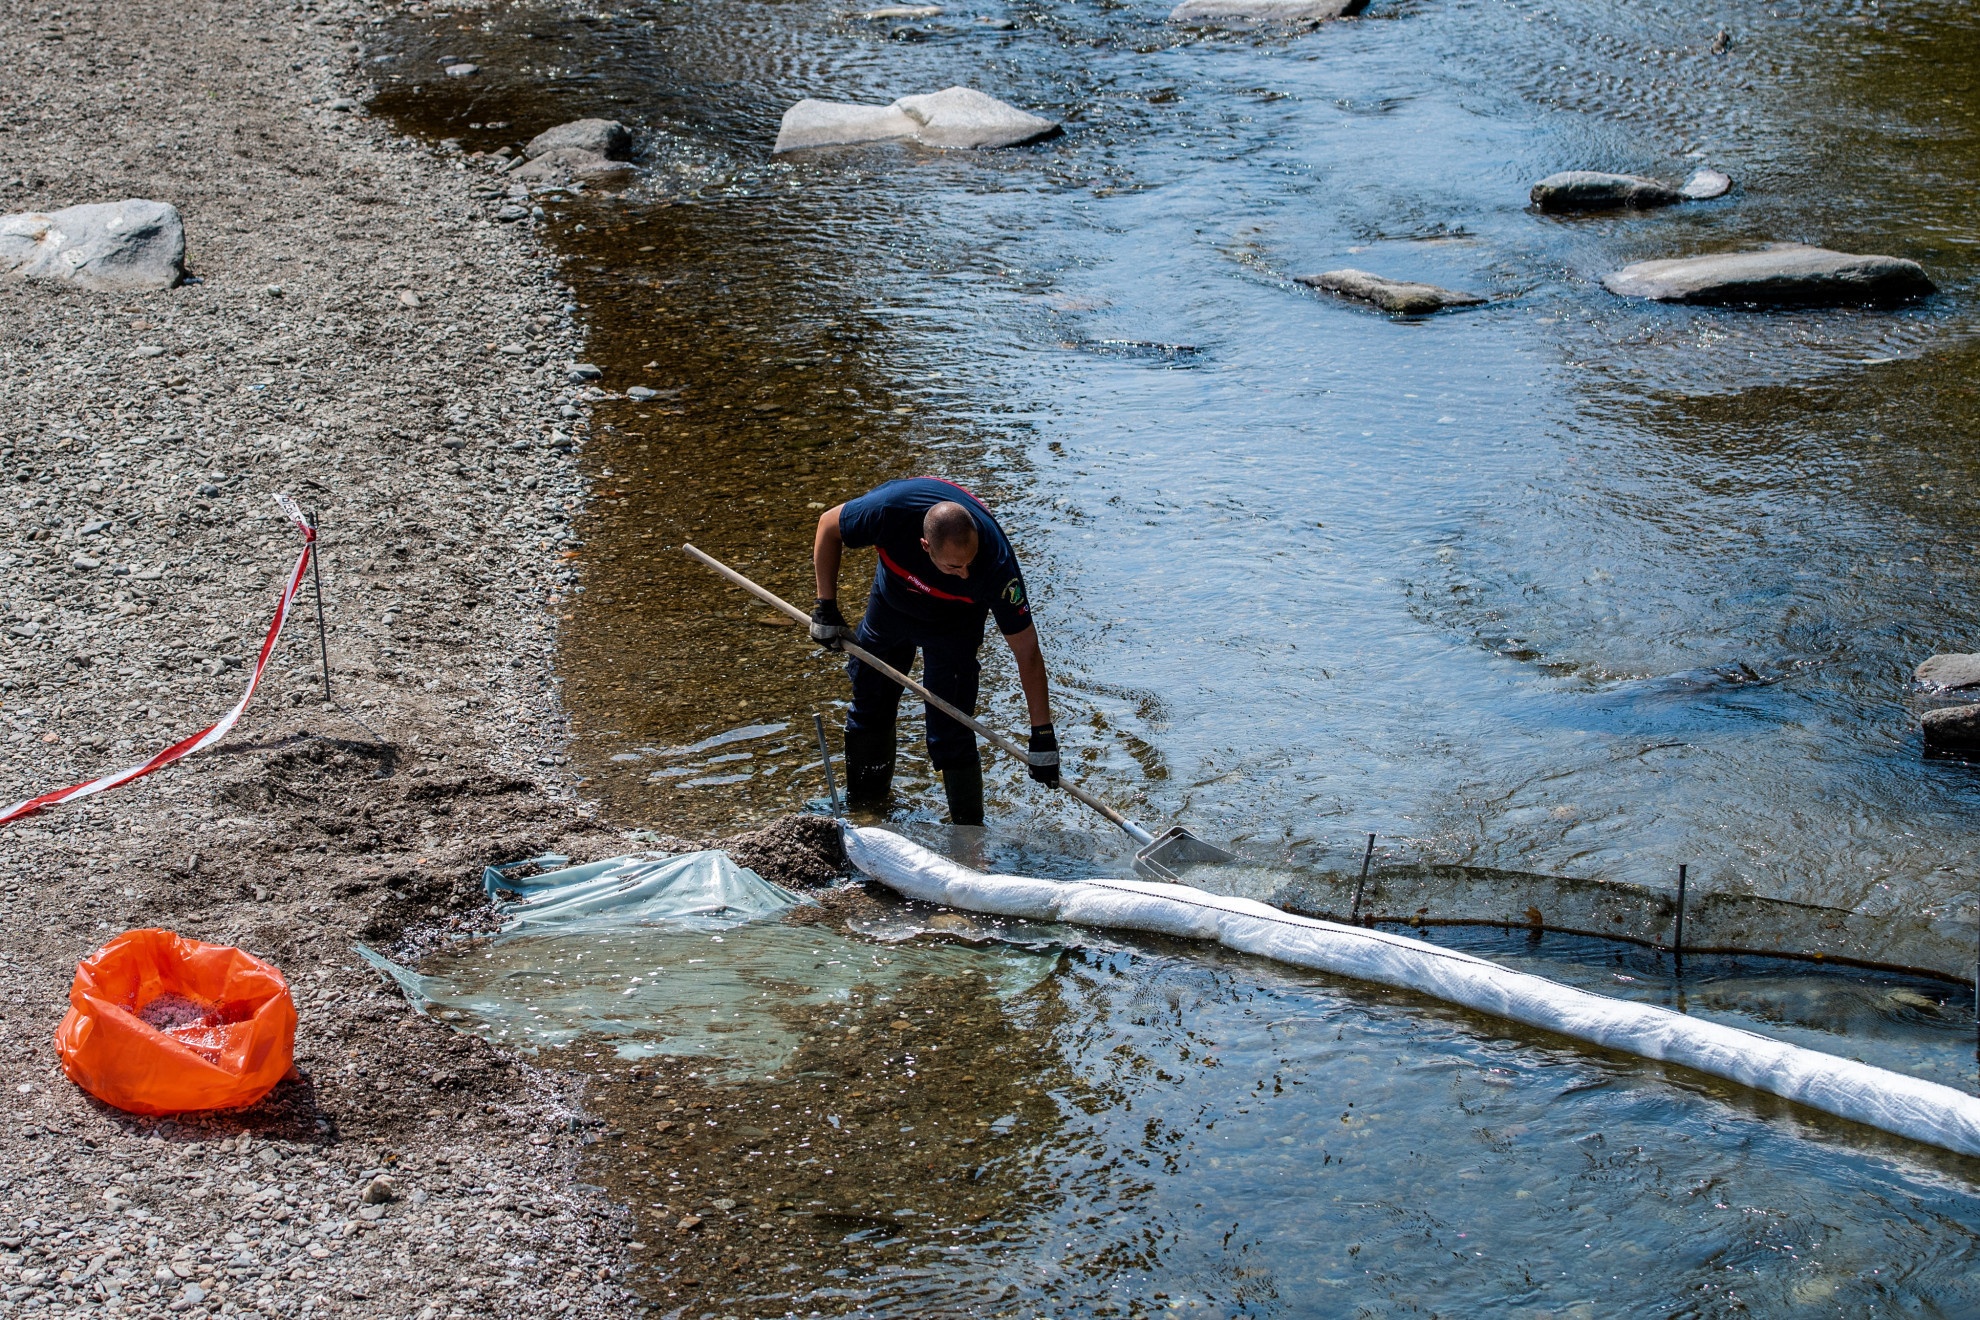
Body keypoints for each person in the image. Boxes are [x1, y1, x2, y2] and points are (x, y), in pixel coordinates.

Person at [809, 476, 1058, 826]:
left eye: (970, 561)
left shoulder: (996, 566)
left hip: (955, 624)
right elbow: (828, 526)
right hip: (892, 605)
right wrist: (825, 608)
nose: (966, 572)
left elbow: (1027, 650)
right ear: (925, 546)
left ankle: (968, 836)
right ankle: (866, 815)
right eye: (955, 566)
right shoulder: (888, 511)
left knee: (951, 725)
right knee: (871, 702)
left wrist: (1042, 734)